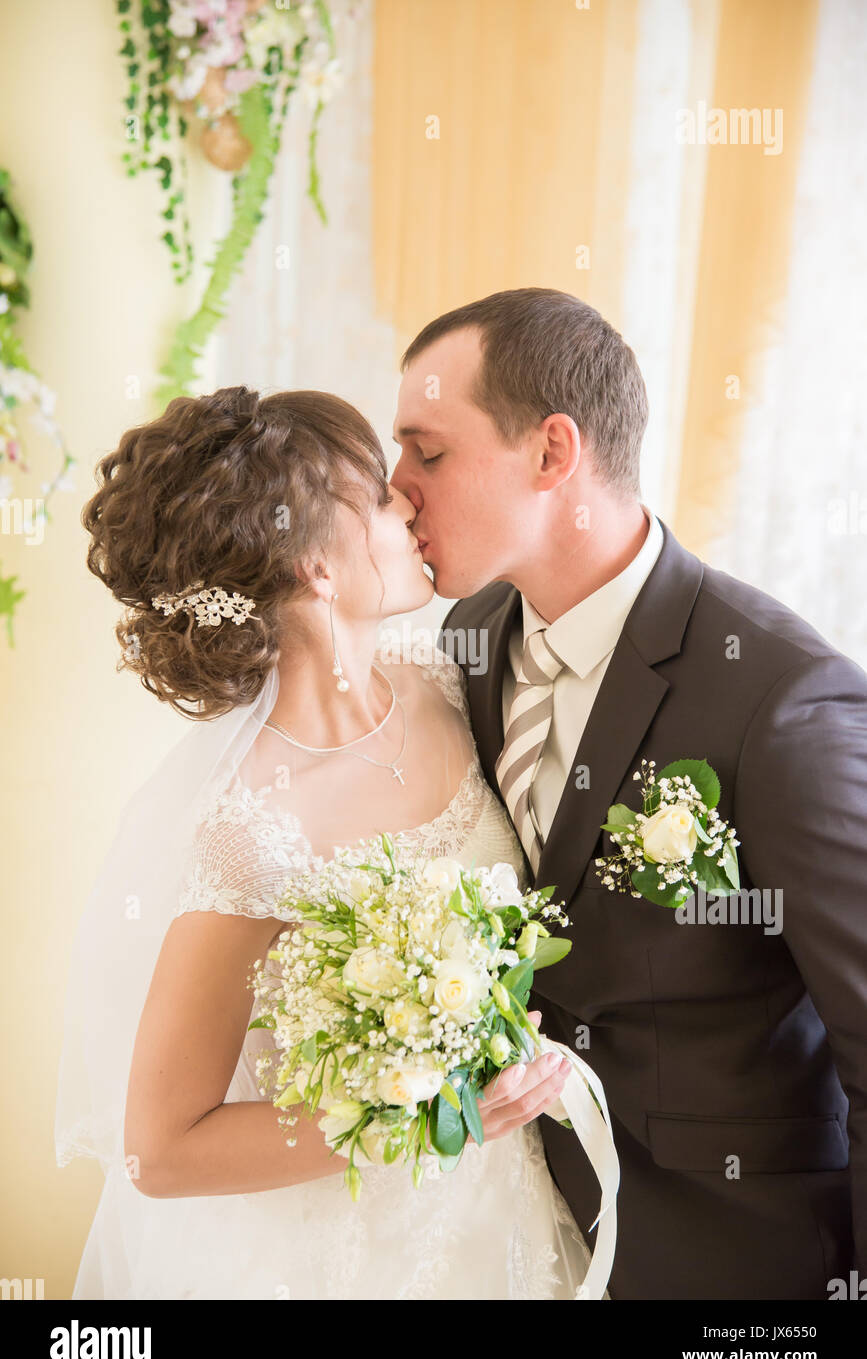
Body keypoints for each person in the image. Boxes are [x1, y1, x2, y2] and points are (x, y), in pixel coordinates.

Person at [55, 385, 596, 1300]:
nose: (408, 498)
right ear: (315, 564)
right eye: (379, 500)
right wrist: (419, 1113)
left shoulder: (448, 683)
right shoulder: (250, 831)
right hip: (348, 1254)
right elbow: (160, 1150)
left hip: (500, 1212)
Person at [391, 286, 867, 1300]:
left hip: (737, 1258)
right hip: (522, 1234)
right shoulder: (467, 639)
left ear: (553, 454)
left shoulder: (780, 696)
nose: (395, 492)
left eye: (426, 452)